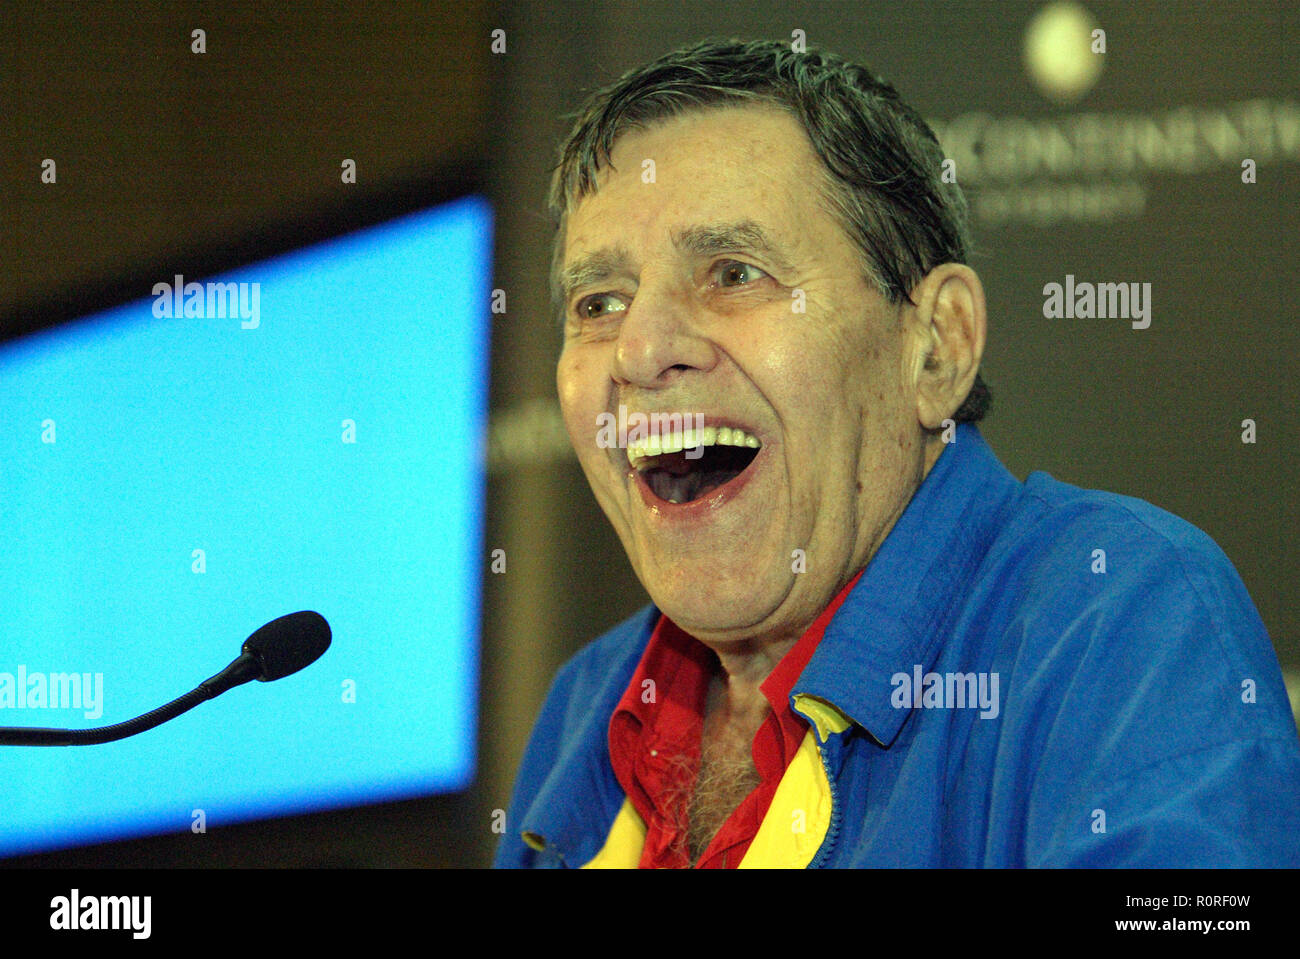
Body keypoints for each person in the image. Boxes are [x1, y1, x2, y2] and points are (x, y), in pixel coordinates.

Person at [493, 37, 1300, 868]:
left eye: (733, 273)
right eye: (600, 302)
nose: (639, 348)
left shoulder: (1121, 618)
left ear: (937, 347)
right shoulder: (584, 707)